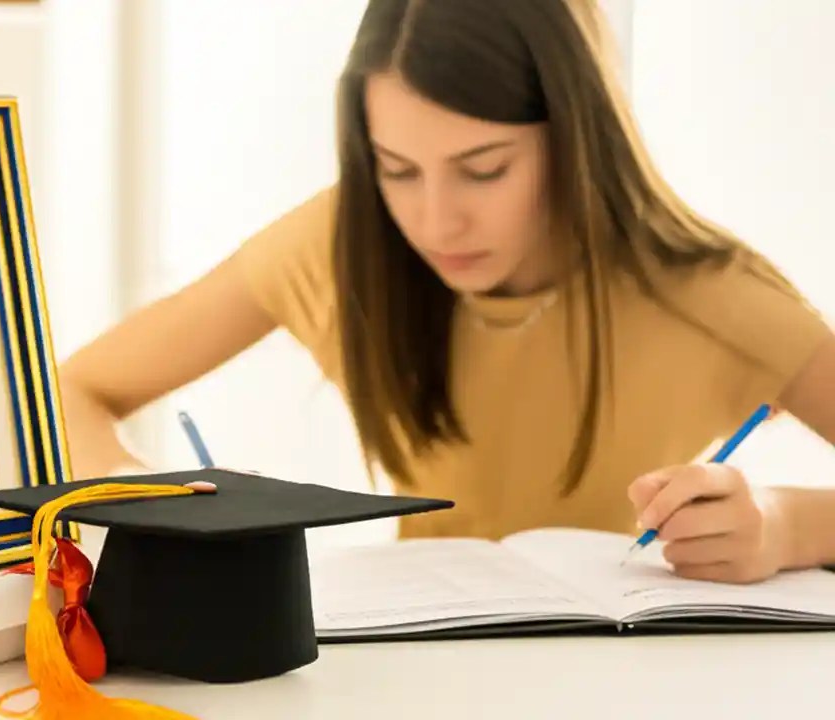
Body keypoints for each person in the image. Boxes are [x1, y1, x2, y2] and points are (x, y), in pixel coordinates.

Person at [55, 0, 835, 584]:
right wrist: (160, 508)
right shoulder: (343, 243)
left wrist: (782, 523)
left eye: (484, 168)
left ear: (576, 137)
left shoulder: (713, 294)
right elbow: (69, 390)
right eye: (397, 170)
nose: (435, 221)